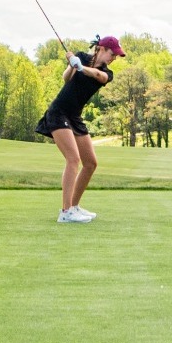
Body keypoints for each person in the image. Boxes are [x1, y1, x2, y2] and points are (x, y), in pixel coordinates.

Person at [37, 35, 125, 223]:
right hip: (58, 112)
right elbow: (66, 78)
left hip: (74, 116)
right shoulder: (81, 57)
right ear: (101, 49)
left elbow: (98, 76)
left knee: (90, 163)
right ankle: (65, 212)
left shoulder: (107, 73)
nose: (114, 58)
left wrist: (81, 67)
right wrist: (72, 65)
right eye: (112, 54)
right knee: (73, 159)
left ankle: (74, 207)